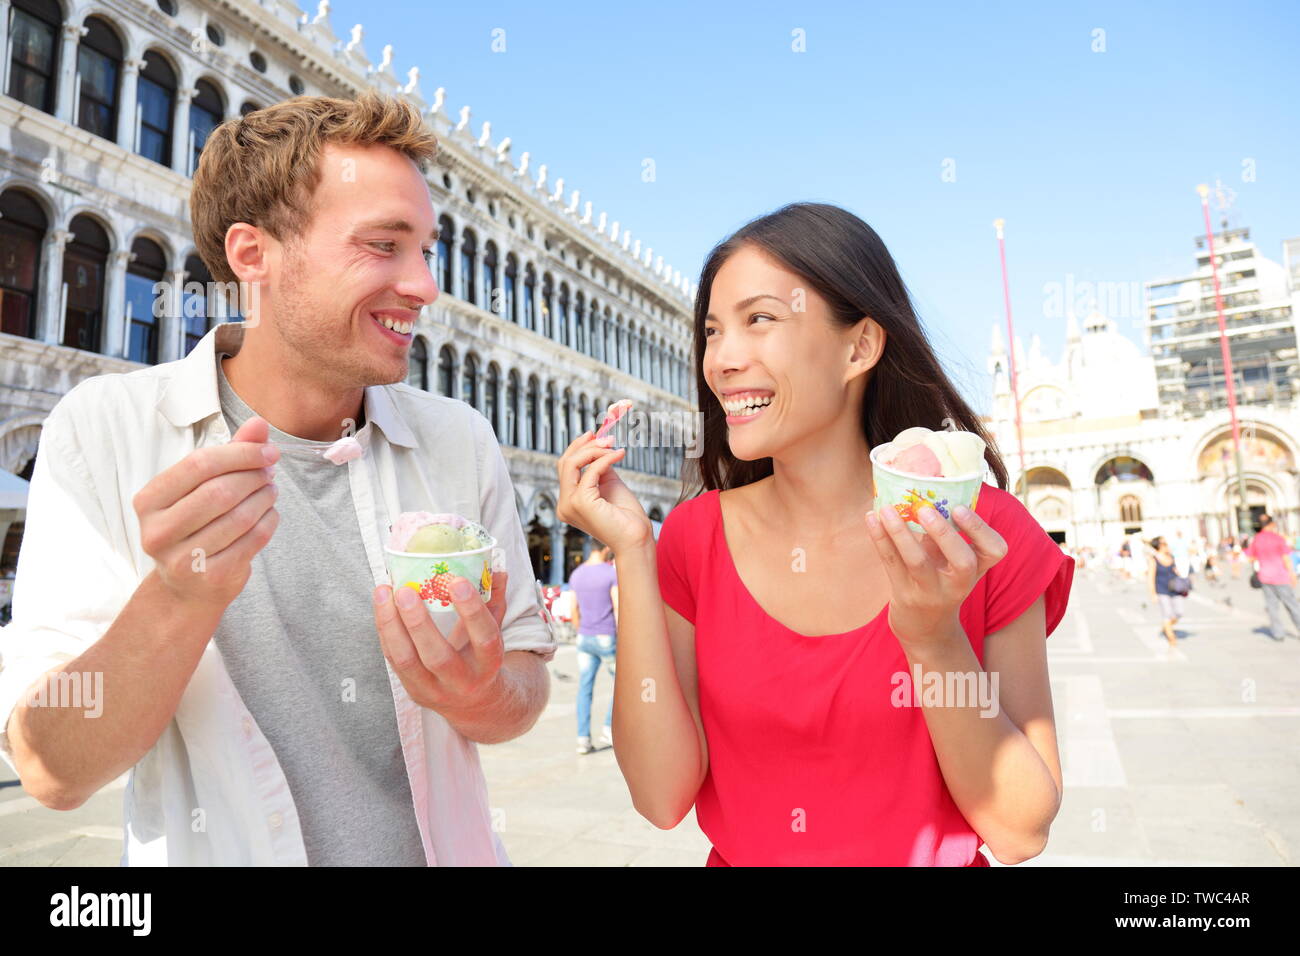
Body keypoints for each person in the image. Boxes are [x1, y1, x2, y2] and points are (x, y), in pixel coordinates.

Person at [0, 93, 557, 866]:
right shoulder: (103, 433)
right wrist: (178, 595)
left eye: (425, 250)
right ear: (252, 254)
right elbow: (52, 768)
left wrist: (481, 693)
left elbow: (522, 688)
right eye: (383, 246)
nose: (426, 285)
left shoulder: (459, 440)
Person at [556, 202, 1073, 866]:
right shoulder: (692, 538)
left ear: (858, 346)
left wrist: (933, 636)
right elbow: (660, 797)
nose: (723, 360)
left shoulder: (981, 533)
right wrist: (633, 550)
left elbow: (1019, 830)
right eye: (713, 331)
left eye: (760, 320)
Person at [568, 543, 619, 753]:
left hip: (584, 637)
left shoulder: (577, 574)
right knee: (622, 684)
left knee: (585, 688)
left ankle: (583, 739)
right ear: (606, 547)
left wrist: (582, 630)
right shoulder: (610, 573)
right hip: (606, 635)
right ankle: (608, 728)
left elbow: (573, 609)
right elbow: (618, 607)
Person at [1245, 514, 1300, 642]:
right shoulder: (1278, 538)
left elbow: (1251, 557)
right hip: (1281, 577)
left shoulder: (1257, 539)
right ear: (1271, 524)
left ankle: (1278, 633)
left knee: (1272, 607)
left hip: (1264, 577)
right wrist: (1292, 574)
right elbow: (1286, 558)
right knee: (1292, 605)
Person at [1147, 536, 1183, 647]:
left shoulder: (1171, 556)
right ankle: (1171, 637)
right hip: (1162, 589)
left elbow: (1175, 571)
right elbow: (1150, 577)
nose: (1166, 545)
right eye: (1164, 543)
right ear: (1158, 546)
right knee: (1167, 613)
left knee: (1179, 613)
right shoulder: (1154, 559)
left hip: (1174, 589)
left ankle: (1166, 627)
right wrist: (1153, 594)